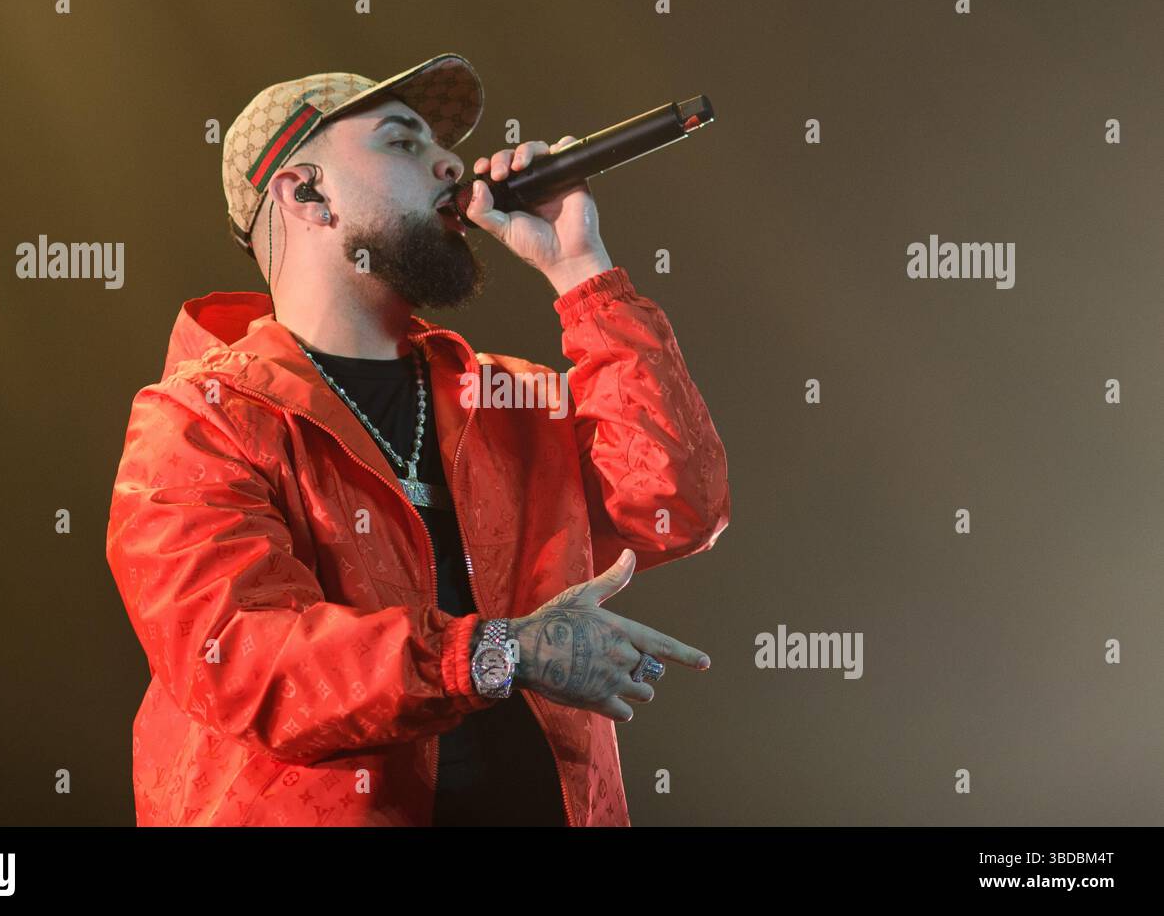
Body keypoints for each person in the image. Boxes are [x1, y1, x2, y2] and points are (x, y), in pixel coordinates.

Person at [105, 52, 730, 827]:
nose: (452, 163)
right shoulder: (201, 420)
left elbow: (674, 506)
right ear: (306, 193)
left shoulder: (509, 398)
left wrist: (582, 275)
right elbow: (244, 660)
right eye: (402, 141)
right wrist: (503, 652)